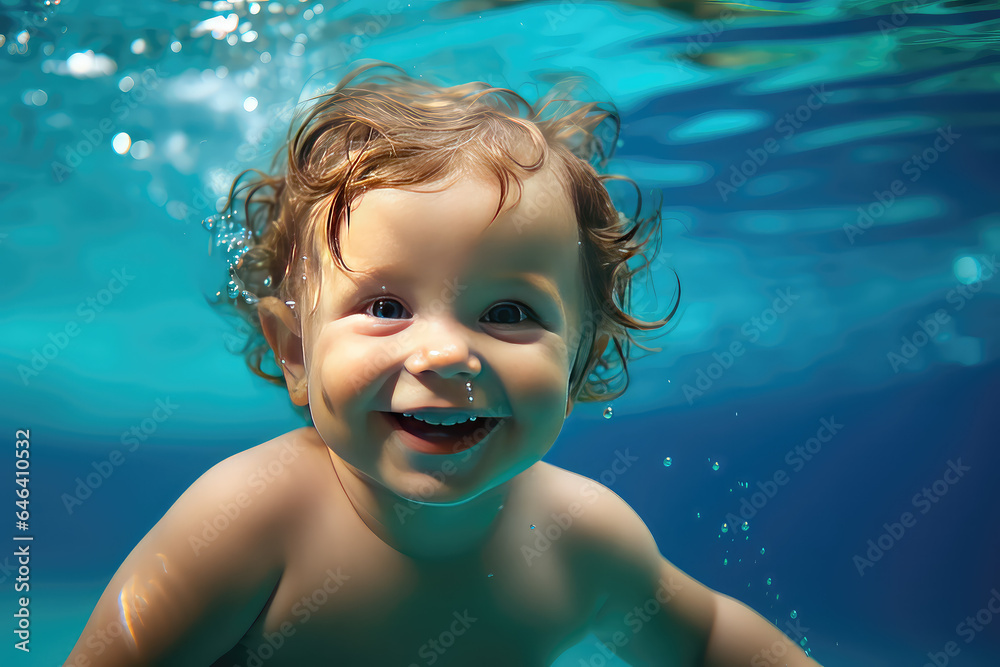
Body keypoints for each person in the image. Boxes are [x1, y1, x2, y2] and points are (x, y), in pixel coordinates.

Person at [66, 60, 821, 667]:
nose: (445, 353)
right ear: (294, 350)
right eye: (386, 307)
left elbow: (708, 637)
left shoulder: (581, 538)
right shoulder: (247, 519)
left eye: (509, 314)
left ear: (581, 358)